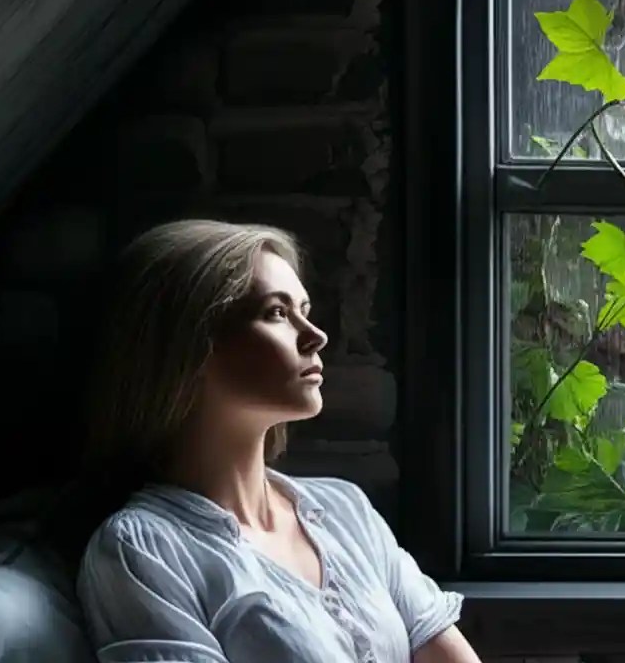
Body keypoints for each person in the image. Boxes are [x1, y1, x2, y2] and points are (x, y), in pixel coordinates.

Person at [75, 219, 481, 662]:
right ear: (189, 346)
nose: (316, 335)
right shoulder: (144, 550)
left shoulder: (345, 512)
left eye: (304, 309)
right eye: (276, 313)